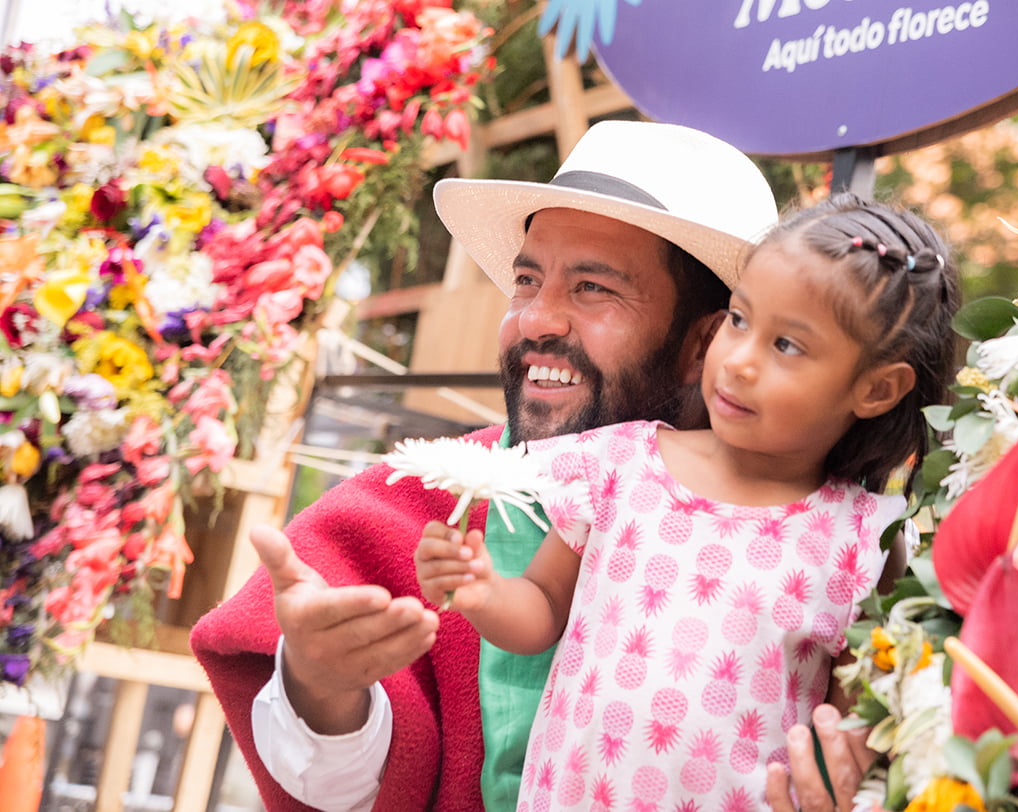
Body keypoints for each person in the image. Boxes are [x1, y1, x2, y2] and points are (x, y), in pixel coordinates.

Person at [189, 119, 780, 812]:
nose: (535, 320)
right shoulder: (409, 503)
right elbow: (336, 794)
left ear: (705, 343)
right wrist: (322, 684)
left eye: (593, 288)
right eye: (526, 281)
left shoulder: (803, 546)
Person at [413, 193, 960, 809]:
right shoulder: (621, 464)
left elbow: (843, 743)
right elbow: (541, 608)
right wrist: (484, 591)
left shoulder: (863, 543)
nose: (741, 361)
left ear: (876, 388)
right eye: (741, 321)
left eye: (787, 346)